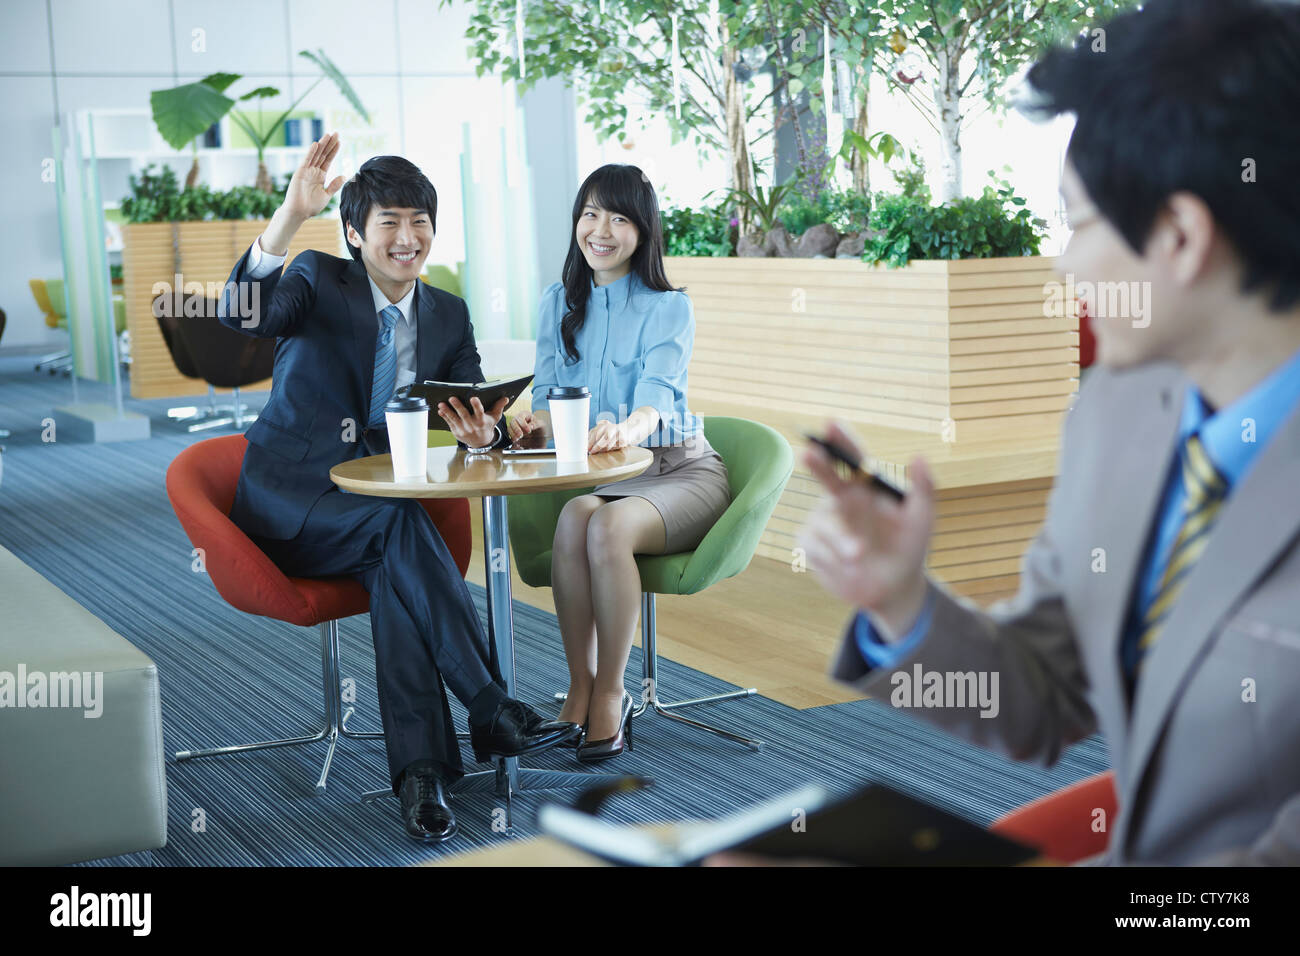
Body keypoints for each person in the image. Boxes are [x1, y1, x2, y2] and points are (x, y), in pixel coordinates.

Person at [799, 0, 1300, 866]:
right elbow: (1042, 696)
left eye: (1075, 224)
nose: (1062, 264)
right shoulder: (1116, 413)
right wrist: (904, 603)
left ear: (1181, 237)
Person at [215, 134, 579, 842]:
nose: (407, 238)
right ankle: (488, 702)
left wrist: (488, 436)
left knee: (396, 567)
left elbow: (481, 405)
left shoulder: (446, 313)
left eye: (420, 223)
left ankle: (422, 779)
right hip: (289, 503)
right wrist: (289, 218)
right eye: (390, 224)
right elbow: (241, 319)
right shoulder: (319, 279)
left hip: (376, 508)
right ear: (355, 233)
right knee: (397, 528)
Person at [509, 164, 731, 762]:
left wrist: (625, 427)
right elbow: (548, 392)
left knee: (604, 524)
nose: (600, 229)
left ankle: (612, 692)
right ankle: (578, 684)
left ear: (642, 230)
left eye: (619, 217)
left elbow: (656, 399)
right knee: (573, 517)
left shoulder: (668, 307)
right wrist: (533, 425)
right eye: (590, 213)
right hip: (613, 477)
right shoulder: (558, 302)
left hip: (682, 470)